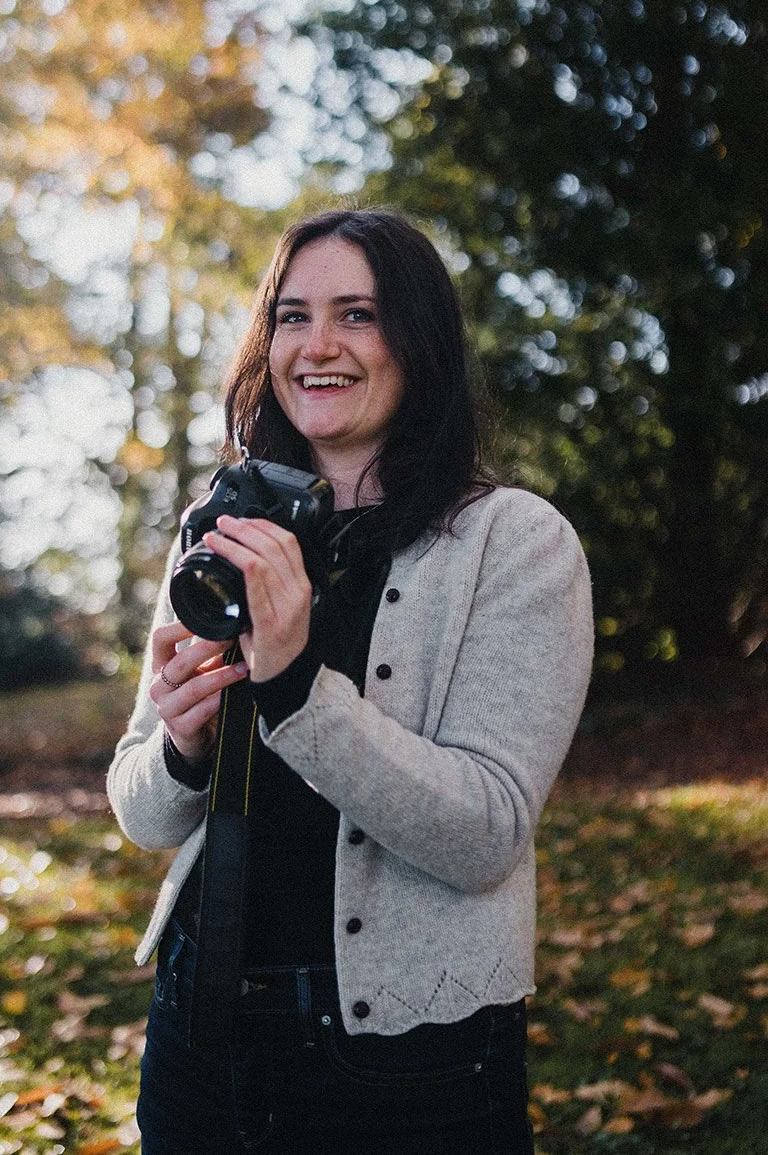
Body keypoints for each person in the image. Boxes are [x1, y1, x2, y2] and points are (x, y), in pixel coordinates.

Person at [106, 208, 594, 1154]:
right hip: (196, 1029)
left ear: (420, 343)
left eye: (357, 315)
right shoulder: (223, 524)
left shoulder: (516, 543)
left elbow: (486, 832)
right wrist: (181, 745)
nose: (316, 346)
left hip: (406, 1061)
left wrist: (295, 689)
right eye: (291, 316)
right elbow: (141, 812)